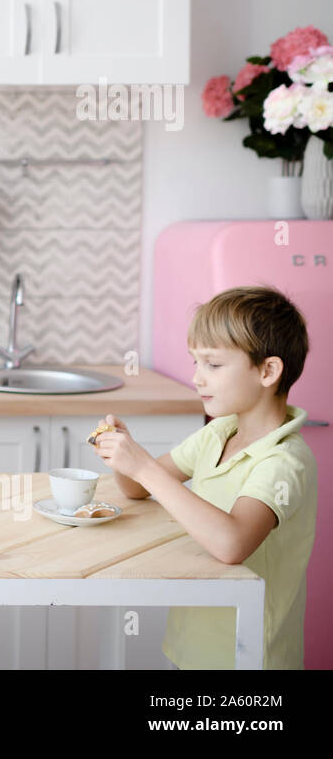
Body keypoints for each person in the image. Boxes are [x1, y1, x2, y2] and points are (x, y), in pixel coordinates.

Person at [93, 285, 315, 669]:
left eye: (212, 365)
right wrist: (125, 453)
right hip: (192, 644)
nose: (196, 378)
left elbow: (232, 543)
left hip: (249, 654)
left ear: (268, 371)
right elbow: (137, 490)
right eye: (195, 362)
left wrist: (144, 466)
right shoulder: (220, 433)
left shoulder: (284, 461)